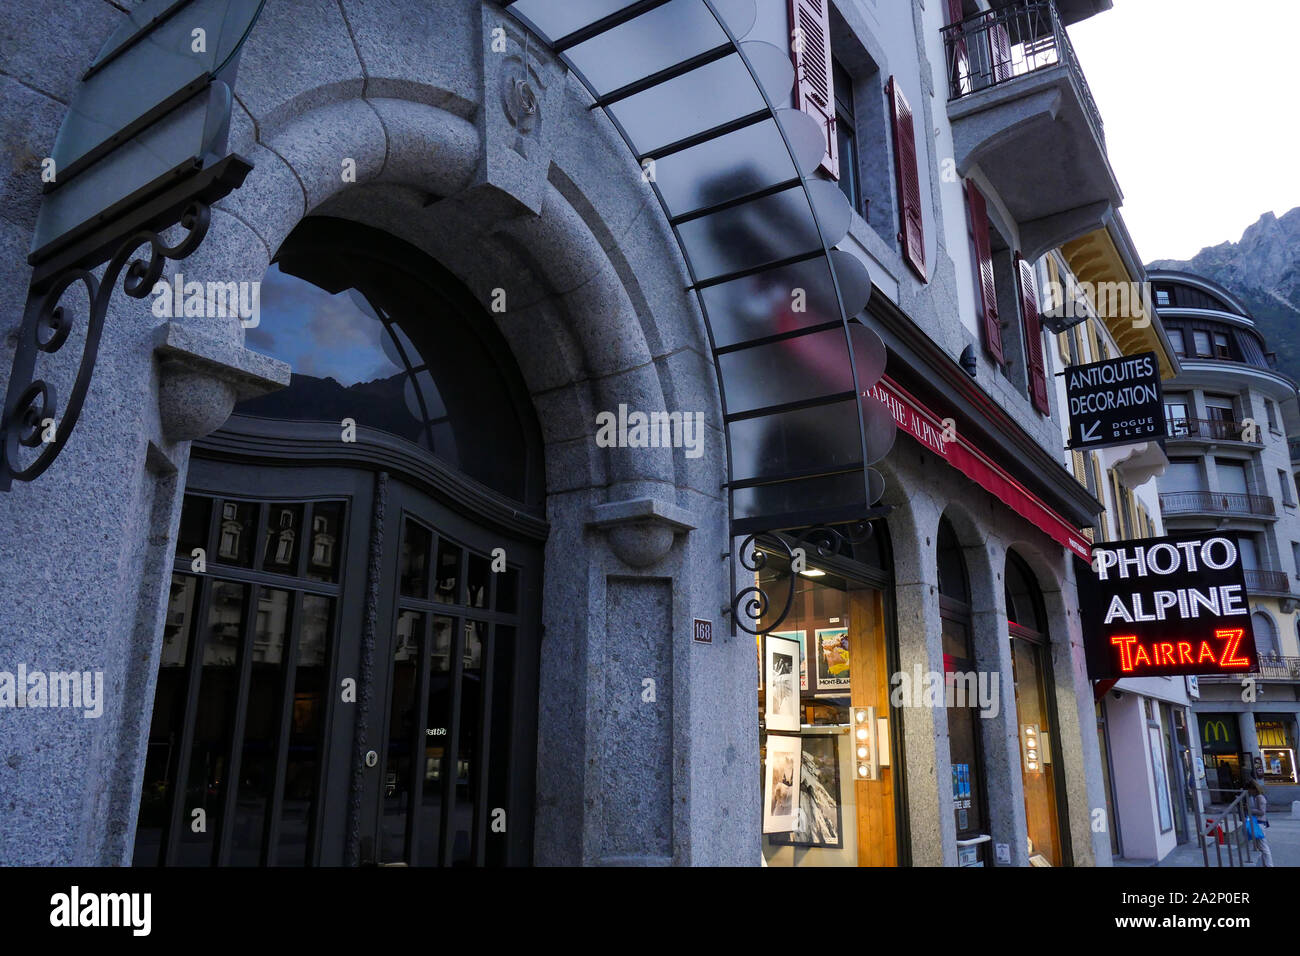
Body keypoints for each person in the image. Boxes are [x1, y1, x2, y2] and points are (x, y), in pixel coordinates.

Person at [1245, 778, 1273, 867]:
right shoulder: (1258, 797)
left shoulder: (1259, 797)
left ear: (1253, 789)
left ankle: (1269, 865)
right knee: (1261, 845)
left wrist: (1250, 810)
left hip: (1259, 823)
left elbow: (1261, 811)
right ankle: (1267, 864)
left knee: (1263, 846)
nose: (1249, 791)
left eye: (1249, 789)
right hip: (1260, 822)